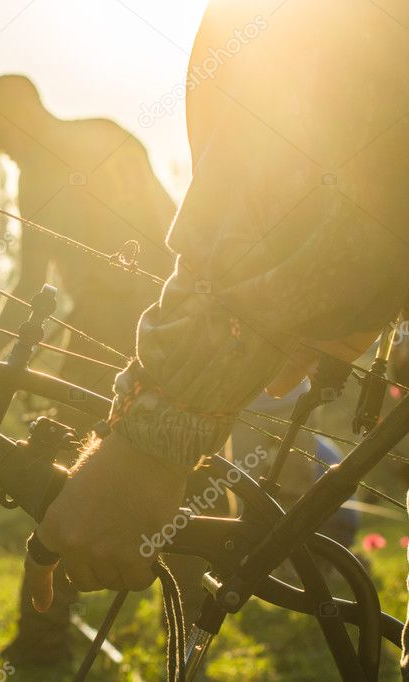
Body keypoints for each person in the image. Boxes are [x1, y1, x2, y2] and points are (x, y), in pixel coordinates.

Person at [23, 0, 409, 676]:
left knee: (144, 502)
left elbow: (345, 98)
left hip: (160, 335)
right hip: (167, 332)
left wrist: (160, 426)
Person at [0, 74, 180, 667]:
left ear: (22, 115)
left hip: (151, 336)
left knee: (69, 483)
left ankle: (171, 645)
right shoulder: (61, 163)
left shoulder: (79, 156)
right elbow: (33, 292)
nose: (1, 152)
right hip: (157, 337)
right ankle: (47, 639)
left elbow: (173, 242)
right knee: (71, 480)